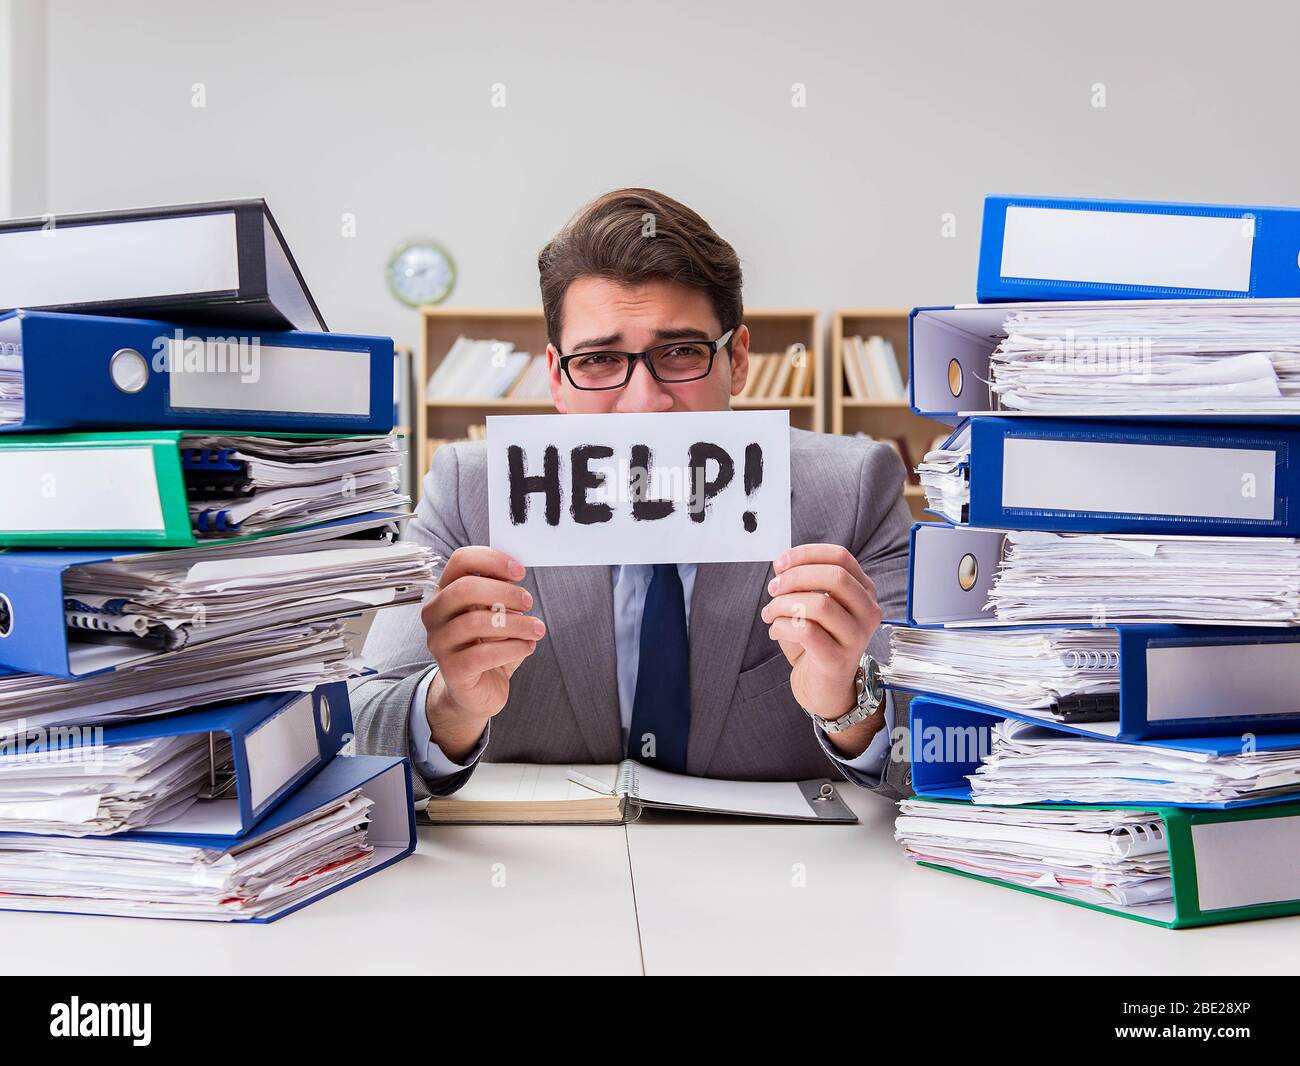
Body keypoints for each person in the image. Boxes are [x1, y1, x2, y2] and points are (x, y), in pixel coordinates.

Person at [351, 188, 912, 801]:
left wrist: (851, 704)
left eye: (680, 352)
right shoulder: (469, 492)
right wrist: (450, 704)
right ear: (557, 379)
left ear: (739, 359)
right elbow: (356, 732)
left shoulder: (855, 489)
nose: (645, 402)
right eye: (597, 360)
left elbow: (947, 750)